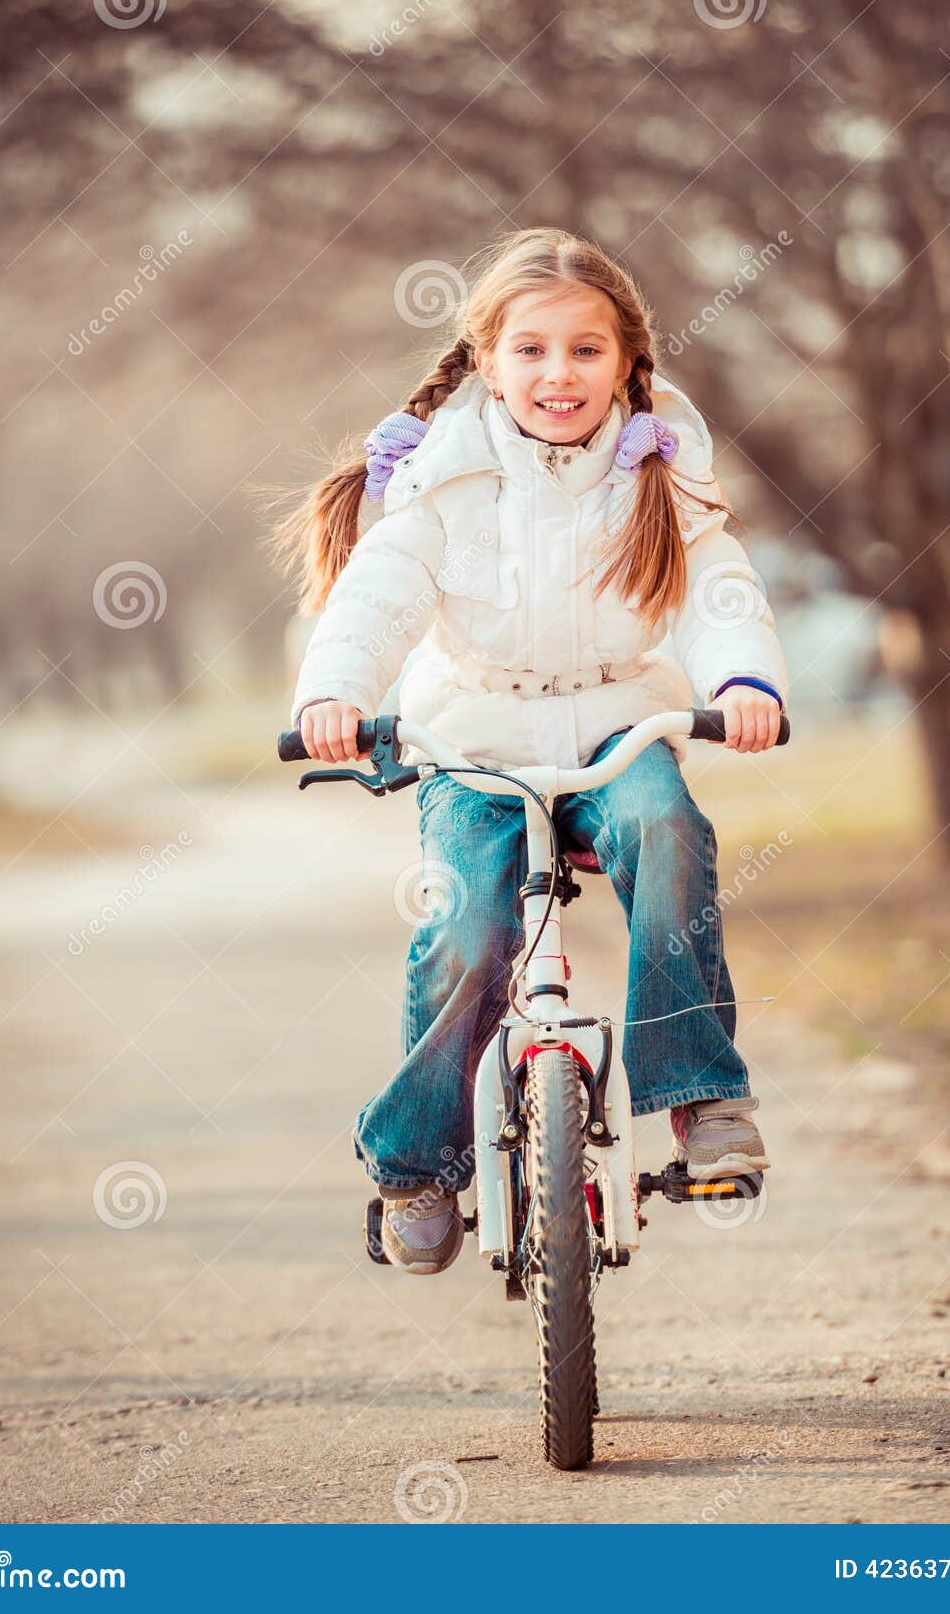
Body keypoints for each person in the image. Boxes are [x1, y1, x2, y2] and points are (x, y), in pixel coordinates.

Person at [272, 227, 790, 1274]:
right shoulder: (444, 477)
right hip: (472, 735)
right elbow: (377, 596)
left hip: (614, 723)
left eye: (586, 351)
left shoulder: (661, 468)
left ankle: (701, 1095)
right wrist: (333, 694)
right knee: (465, 930)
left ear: (628, 362)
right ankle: (416, 1162)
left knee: (667, 828)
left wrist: (744, 682)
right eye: (533, 351)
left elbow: (718, 587)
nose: (560, 374)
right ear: (487, 360)